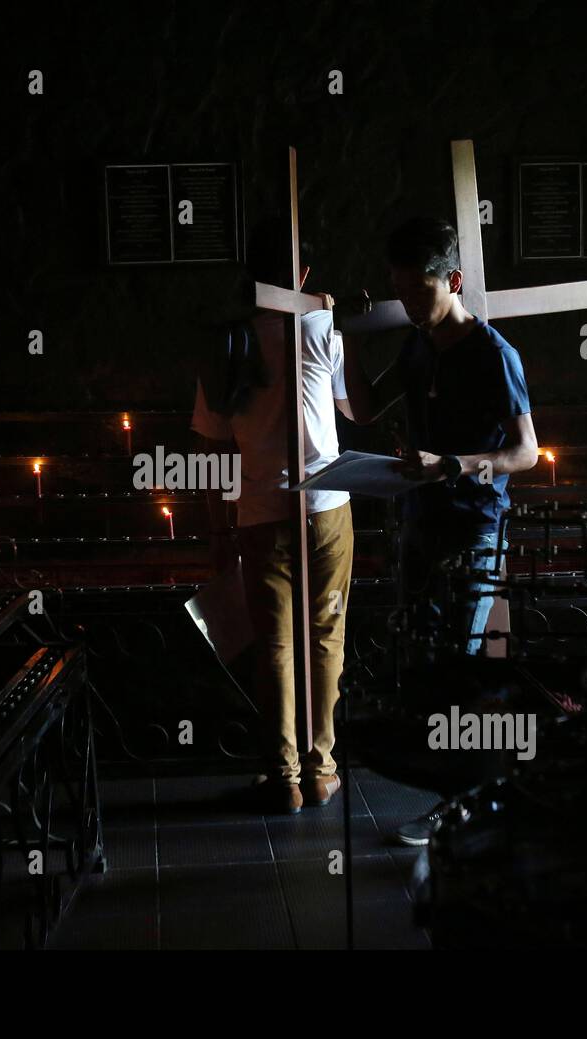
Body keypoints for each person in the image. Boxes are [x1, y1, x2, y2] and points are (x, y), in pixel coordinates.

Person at [338, 216, 539, 844]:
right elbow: (367, 410)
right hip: (419, 522)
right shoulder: (417, 345)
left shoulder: (493, 355)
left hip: (475, 528)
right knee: (424, 661)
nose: (410, 306)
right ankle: (452, 790)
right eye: (400, 294)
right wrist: (342, 336)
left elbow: (527, 451)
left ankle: (466, 802)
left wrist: (453, 464)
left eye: (420, 294)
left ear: (453, 281)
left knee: (461, 664)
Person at [191, 227, 354, 814]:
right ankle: (322, 767)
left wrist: (217, 529)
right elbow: (347, 404)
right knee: (325, 633)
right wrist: (328, 318)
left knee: (276, 644)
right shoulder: (319, 327)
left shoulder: (226, 342)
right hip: (328, 505)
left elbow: (212, 448)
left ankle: (284, 775)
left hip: (259, 510)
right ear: (304, 277)